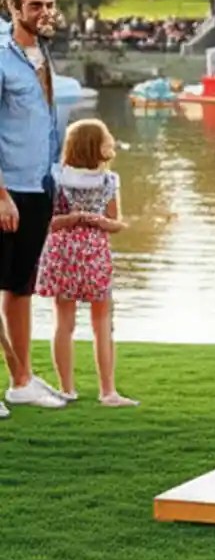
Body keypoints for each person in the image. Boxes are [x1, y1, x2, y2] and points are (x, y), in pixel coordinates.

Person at [0, 0, 67, 418]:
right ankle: (17, 376)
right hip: (6, 190)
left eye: (48, 4)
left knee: (19, 288)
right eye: (34, 6)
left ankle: (20, 382)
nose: (44, 12)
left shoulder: (42, 53)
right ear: (14, 8)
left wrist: (54, 179)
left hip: (39, 186)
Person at [35, 119, 137, 407]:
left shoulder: (55, 177)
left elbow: (48, 223)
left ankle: (68, 390)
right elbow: (116, 224)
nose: (111, 144)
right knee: (101, 322)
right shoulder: (107, 181)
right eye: (106, 140)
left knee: (65, 323)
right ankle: (107, 392)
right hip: (92, 254)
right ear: (95, 147)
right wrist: (97, 222)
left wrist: (81, 220)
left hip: (63, 254)